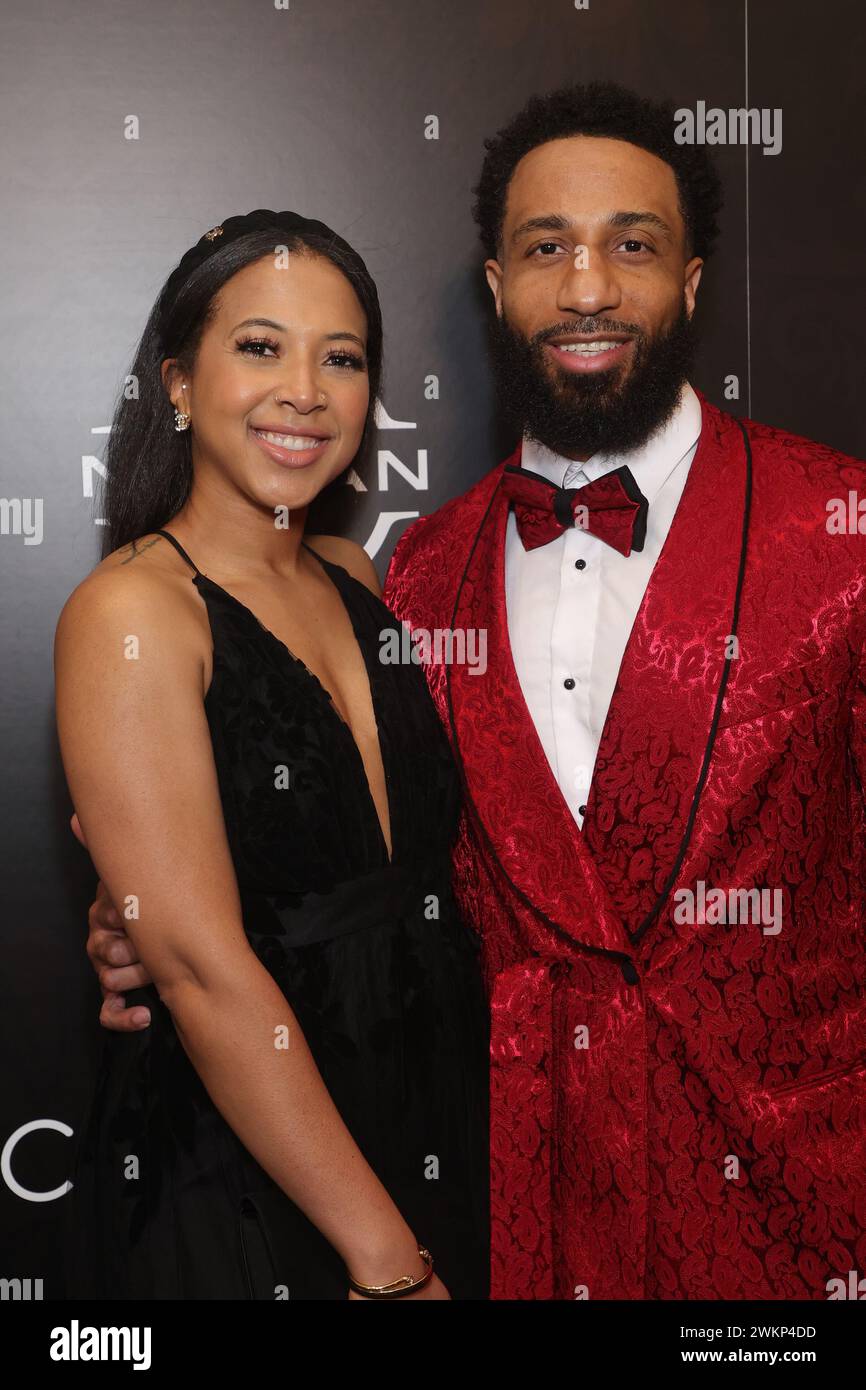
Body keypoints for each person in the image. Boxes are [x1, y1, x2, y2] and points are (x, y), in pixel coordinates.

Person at [84, 81, 866, 1303]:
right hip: (506, 1208)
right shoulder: (422, 568)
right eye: (546, 246)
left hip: (789, 1214)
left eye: (632, 245)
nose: (589, 286)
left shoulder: (842, 531)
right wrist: (158, 913)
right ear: (497, 287)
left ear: (693, 282)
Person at [56, 209, 490, 1301]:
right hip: (244, 1164)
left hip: (420, 1107)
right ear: (179, 382)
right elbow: (200, 968)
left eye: (339, 358)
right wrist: (384, 1261)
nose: (304, 389)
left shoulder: (358, 573)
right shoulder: (132, 612)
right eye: (259, 346)